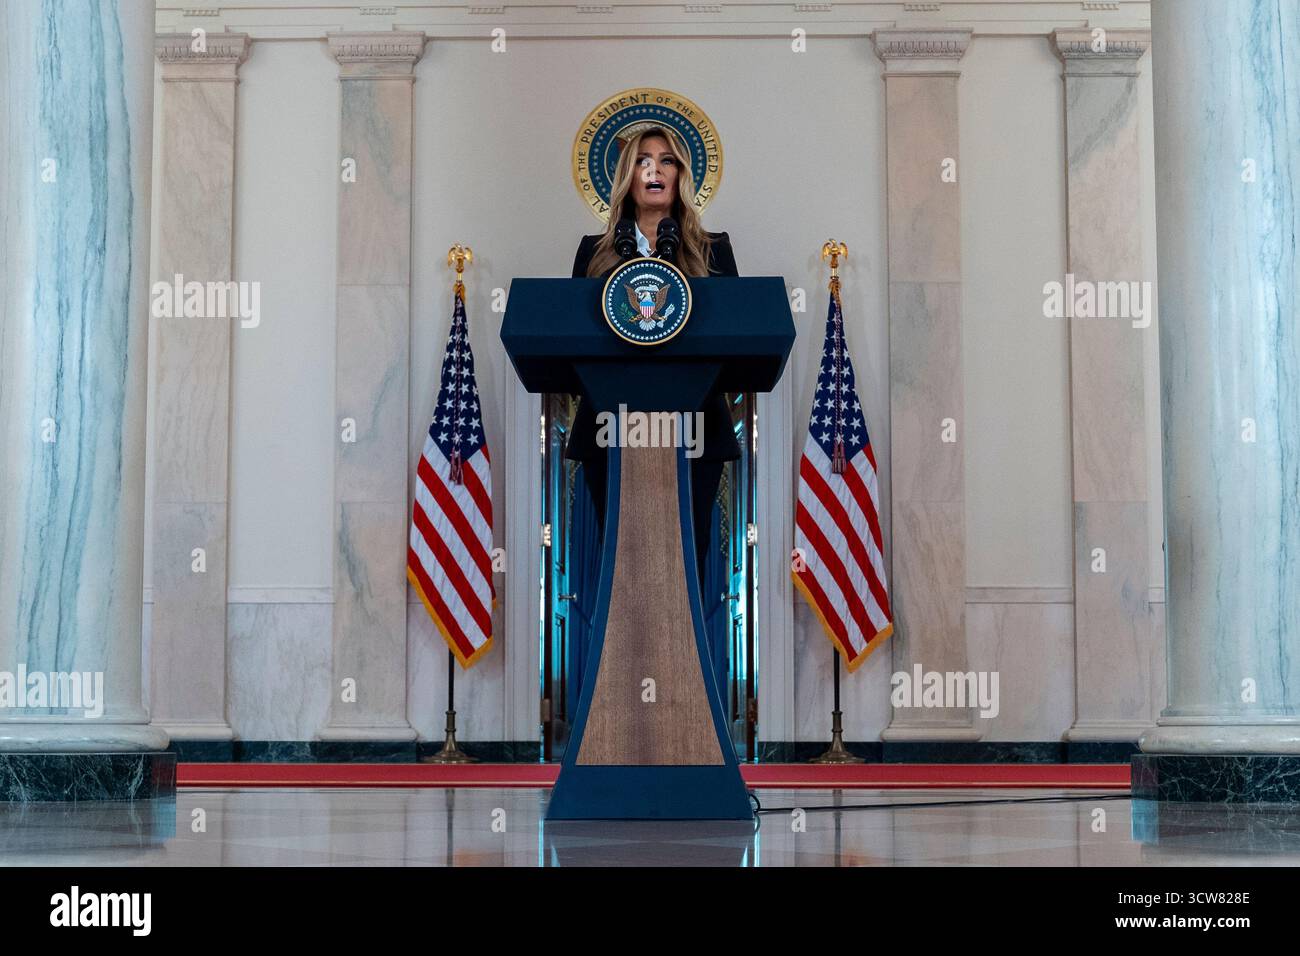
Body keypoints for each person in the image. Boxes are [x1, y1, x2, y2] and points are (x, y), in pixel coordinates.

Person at [567, 124, 739, 589]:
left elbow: (735, 337)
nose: (655, 169)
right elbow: (571, 338)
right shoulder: (594, 252)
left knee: (684, 564)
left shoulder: (714, 250)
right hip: (611, 429)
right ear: (629, 175)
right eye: (644, 160)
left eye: (667, 160)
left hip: (695, 433)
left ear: (681, 175)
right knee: (624, 568)